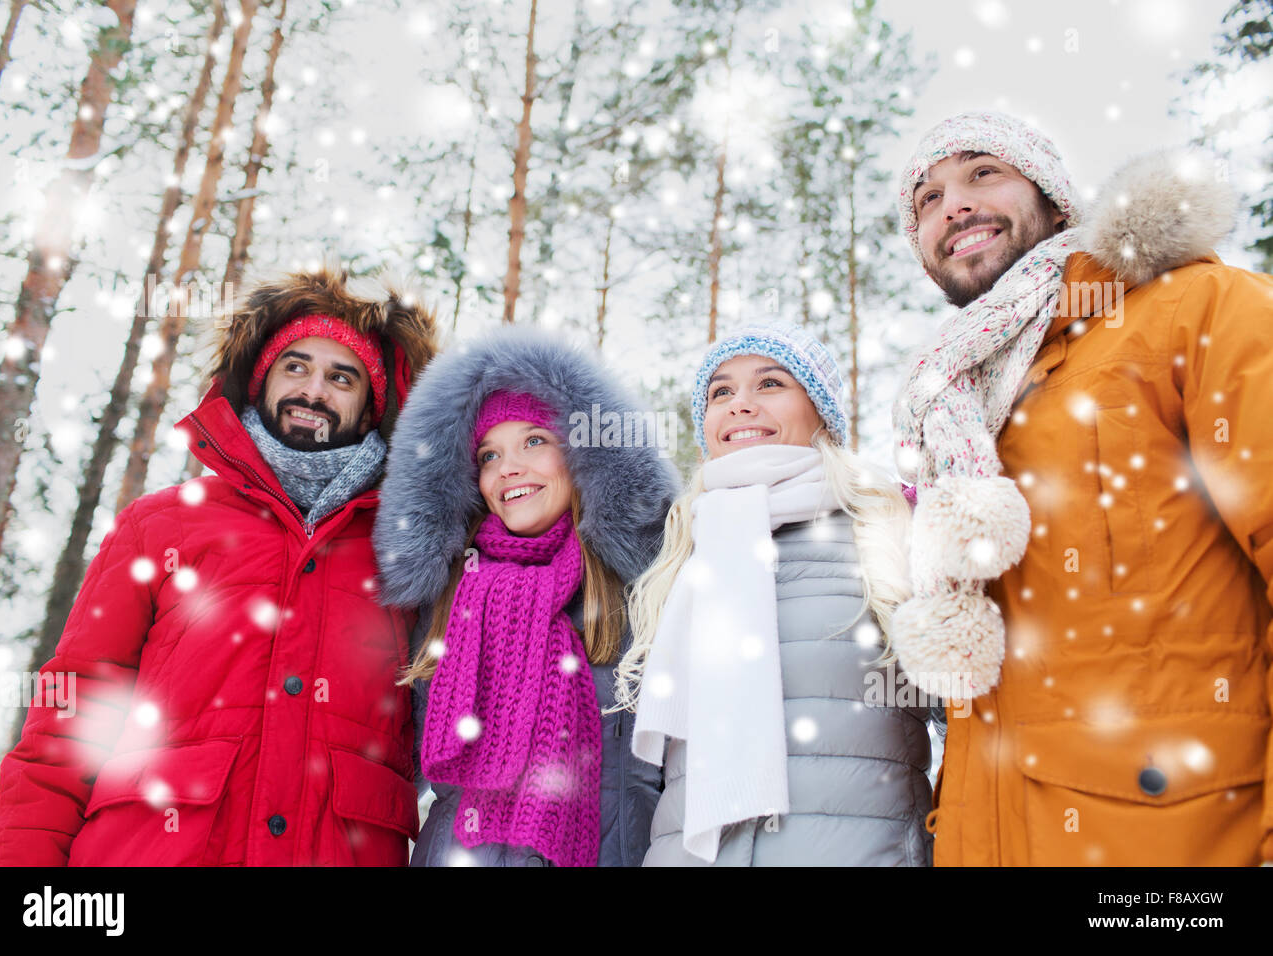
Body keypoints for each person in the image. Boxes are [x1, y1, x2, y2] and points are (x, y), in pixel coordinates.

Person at [891, 110, 1273, 865]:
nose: (953, 205)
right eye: (927, 199)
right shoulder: (956, 412)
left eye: (982, 173)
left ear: (1057, 201)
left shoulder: (1198, 309)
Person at [0, 265, 438, 866]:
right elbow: (67, 724)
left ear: (372, 406)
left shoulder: (410, 551)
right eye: (294, 366)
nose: (313, 391)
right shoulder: (162, 525)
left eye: (342, 377)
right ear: (259, 380)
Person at [617, 322, 934, 866]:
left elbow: (969, 708)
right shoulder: (680, 557)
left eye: (770, 384)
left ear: (823, 416)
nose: (740, 404)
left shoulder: (891, 528)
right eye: (721, 392)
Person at [372, 328, 679, 866]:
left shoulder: (646, 592)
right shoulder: (447, 600)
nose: (508, 468)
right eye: (489, 455)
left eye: (535, 441)